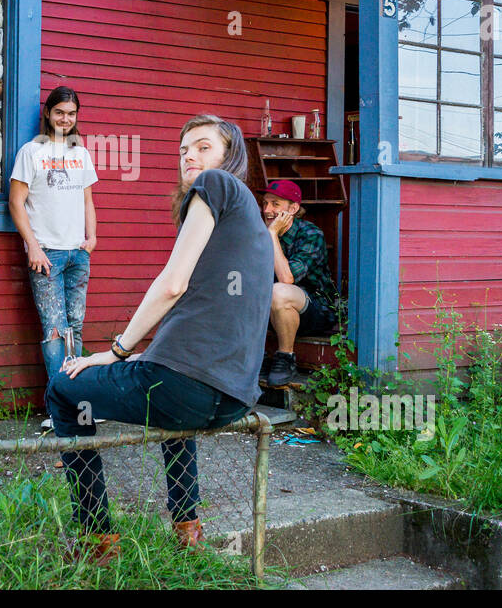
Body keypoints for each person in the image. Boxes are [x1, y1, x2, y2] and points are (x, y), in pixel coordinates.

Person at [45, 114, 273, 564]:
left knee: (64, 390)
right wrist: (149, 353)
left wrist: (115, 352)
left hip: (188, 387)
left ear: (229, 158)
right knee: (168, 398)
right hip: (233, 398)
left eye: (204, 146)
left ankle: (97, 539)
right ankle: (187, 528)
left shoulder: (215, 185)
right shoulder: (250, 220)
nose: (190, 155)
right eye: (184, 149)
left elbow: (172, 283)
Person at [8, 87, 99, 430]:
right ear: (47, 113)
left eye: (71, 113)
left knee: (75, 327)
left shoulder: (81, 154)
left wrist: (90, 239)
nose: (65, 119)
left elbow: (87, 200)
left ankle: (81, 407)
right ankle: (59, 409)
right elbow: (16, 203)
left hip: (77, 253)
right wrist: (32, 245)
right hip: (46, 253)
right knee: (55, 331)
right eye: (59, 112)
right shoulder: (31, 152)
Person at [260, 179, 339, 388]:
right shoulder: (257, 235)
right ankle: (250, 356)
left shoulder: (311, 235)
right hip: (273, 311)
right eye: (265, 203)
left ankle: (285, 358)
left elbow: (287, 279)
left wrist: (271, 235)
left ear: (293, 208)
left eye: (275, 204)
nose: (267, 210)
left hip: (315, 311)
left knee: (279, 291)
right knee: (235, 286)